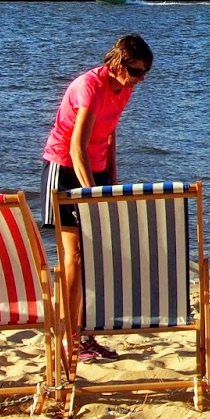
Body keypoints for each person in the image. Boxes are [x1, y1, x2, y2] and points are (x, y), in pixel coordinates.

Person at [41, 33, 153, 364]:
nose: (140, 80)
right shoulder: (88, 86)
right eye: (136, 72)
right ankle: (67, 336)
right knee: (72, 258)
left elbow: (109, 135)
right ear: (118, 64)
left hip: (96, 169)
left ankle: (85, 336)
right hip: (64, 168)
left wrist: (112, 184)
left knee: (94, 257)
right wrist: (91, 195)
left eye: (145, 74)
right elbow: (77, 146)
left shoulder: (123, 88)